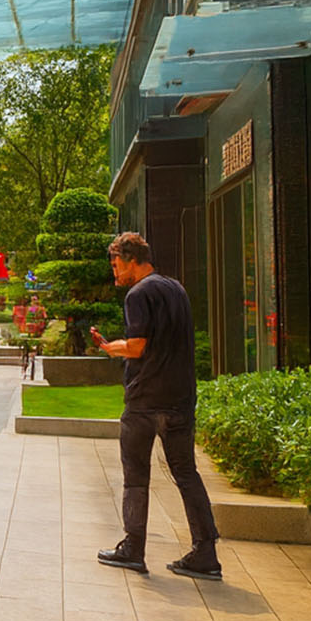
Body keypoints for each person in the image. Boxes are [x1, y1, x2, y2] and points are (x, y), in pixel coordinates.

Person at [91, 232, 220, 580]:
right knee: (186, 474)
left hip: (145, 402)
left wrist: (109, 347)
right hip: (180, 400)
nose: (115, 274)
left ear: (131, 259)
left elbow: (136, 347)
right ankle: (206, 551)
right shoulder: (176, 289)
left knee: (136, 477)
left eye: (117, 265)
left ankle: (133, 548)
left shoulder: (138, 294)